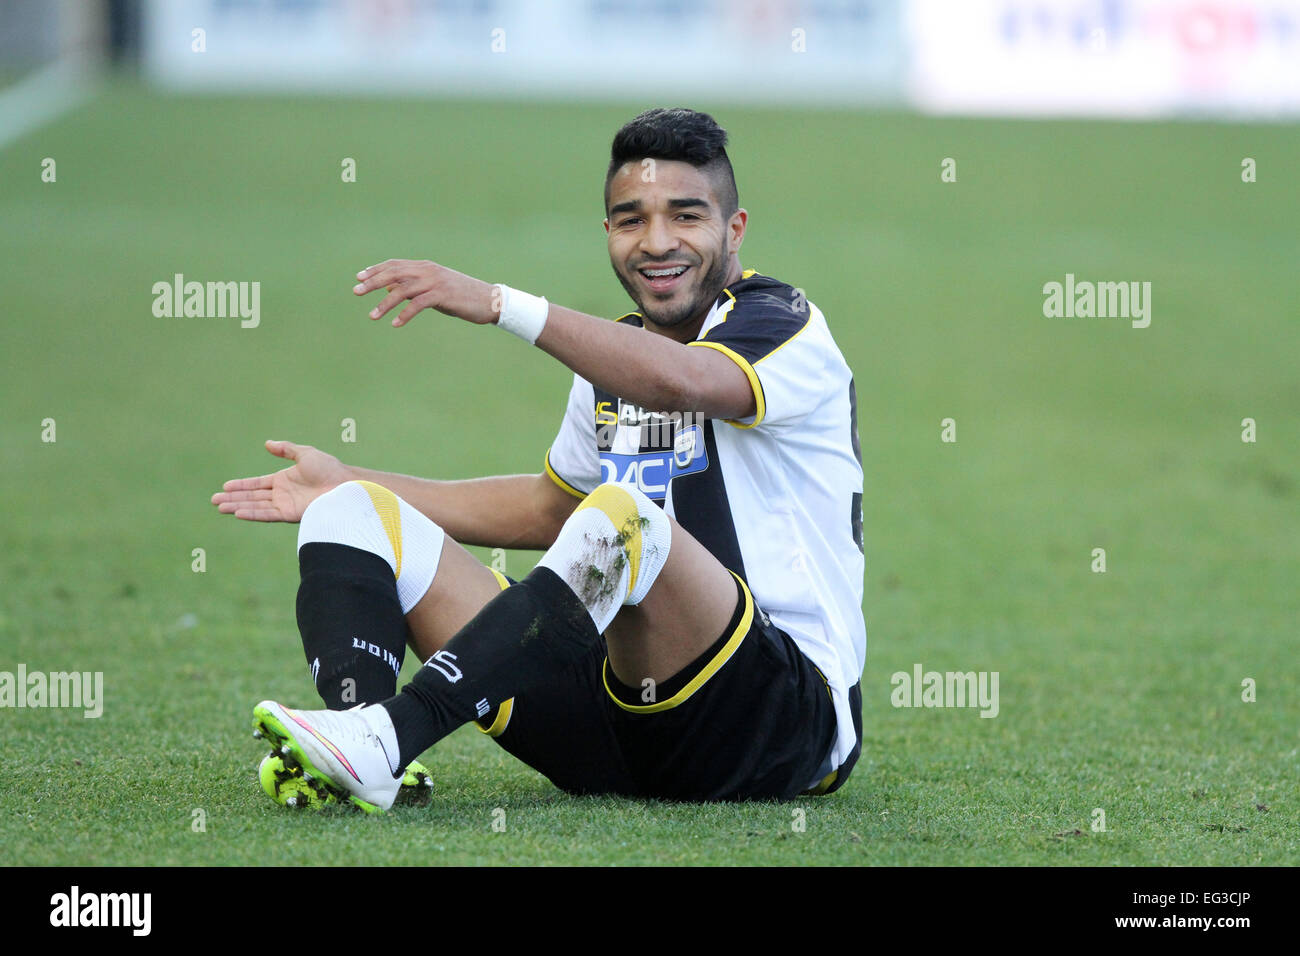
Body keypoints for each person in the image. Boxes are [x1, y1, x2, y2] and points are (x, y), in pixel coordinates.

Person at [212, 107, 866, 810]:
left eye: (685, 216)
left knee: (623, 517)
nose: (657, 242)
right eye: (630, 219)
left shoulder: (781, 321)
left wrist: (500, 304)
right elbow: (548, 509)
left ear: (733, 230)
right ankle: (359, 750)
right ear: (608, 234)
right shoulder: (611, 362)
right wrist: (350, 479)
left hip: (777, 721)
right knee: (349, 512)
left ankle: (393, 734)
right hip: (623, 723)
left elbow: (686, 380)